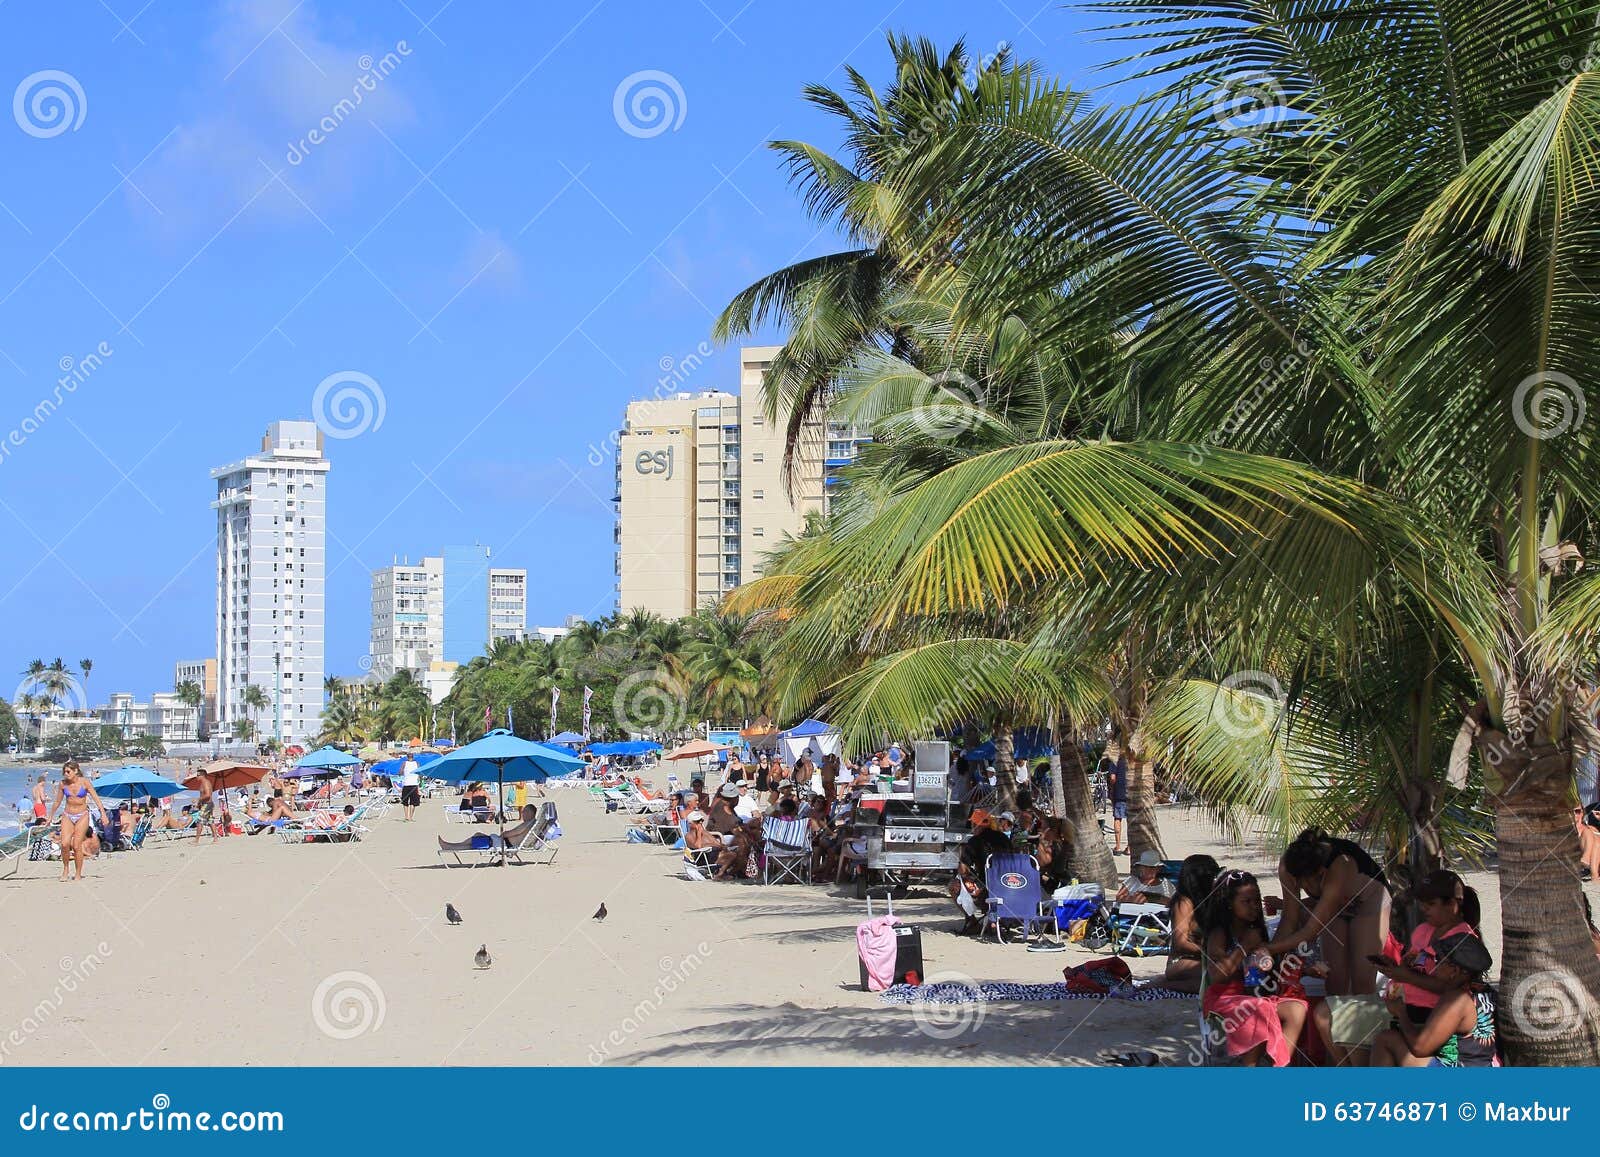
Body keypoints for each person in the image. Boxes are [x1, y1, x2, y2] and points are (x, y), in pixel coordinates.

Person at [1199, 869, 1308, 1066]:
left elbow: (1267, 967)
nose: (1254, 907)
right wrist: (1243, 948)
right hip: (1224, 997)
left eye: (1256, 901)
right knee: (1258, 1008)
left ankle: (1279, 1068)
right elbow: (1217, 976)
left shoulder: (1256, 931)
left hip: (1255, 994)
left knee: (1296, 1008)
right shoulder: (1220, 933)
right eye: (1246, 902)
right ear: (1229, 905)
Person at [1267, 827, 1391, 995]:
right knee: (1334, 979)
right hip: (1337, 906)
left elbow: (1311, 931)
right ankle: (1336, 1018)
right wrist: (1271, 954)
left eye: (1304, 883)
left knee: (1362, 979)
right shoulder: (1287, 866)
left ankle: (1364, 1019)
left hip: (1368, 900)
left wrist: (1269, 949)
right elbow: (1289, 919)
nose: (1300, 887)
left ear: (1321, 873)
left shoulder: (1339, 865)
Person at [1369, 933, 1498, 1067]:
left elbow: (1420, 1048)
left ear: (1456, 970)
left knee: (1385, 1039)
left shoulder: (1457, 999)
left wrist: (1401, 1013)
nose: (1434, 967)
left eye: (1438, 960)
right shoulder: (1483, 990)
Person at [949, 812, 1016, 934]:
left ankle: (972, 922)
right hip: (1010, 887)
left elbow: (963, 870)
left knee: (954, 886)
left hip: (987, 892)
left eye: (972, 824)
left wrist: (967, 872)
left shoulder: (975, 841)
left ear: (976, 825)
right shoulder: (1004, 839)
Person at [1164, 854, 1220, 994]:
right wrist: (1210, 952)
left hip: (1203, 959)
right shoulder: (1184, 902)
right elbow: (1180, 943)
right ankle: (1164, 985)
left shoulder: (1210, 900)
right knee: (1217, 977)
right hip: (1182, 961)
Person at [48, 761, 105, 882]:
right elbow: (57, 802)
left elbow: (96, 799)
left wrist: (103, 814)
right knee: (64, 843)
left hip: (82, 815)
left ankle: (78, 873)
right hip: (67, 815)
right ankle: (65, 869)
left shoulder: (84, 782)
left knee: (77, 844)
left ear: (76, 771)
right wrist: (50, 816)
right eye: (64, 772)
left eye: (68, 771)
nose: (65, 774)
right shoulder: (63, 784)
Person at [1106, 753, 1129, 855]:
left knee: (1117, 818)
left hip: (1119, 792)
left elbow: (1112, 777)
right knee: (1130, 820)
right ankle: (1129, 848)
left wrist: (1111, 789)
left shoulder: (1115, 758)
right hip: (1131, 792)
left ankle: (1118, 846)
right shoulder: (1132, 758)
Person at [191, 769, 217, 844]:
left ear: (202, 775)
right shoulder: (202, 783)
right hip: (207, 804)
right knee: (210, 821)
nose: (197, 777)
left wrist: (198, 799)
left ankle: (196, 840)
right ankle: (215, 838)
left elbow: (208, 795)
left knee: (199, 821)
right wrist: (199, 803)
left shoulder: (205, 783)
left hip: (207, 804)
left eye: (198, 775)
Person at [399, 754, 422, 821]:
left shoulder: (404, 763)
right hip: (414, 784)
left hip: (406, 784)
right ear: (413, 757)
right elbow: (420, 772)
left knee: (405, 801)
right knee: (413, 802)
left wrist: (401, 773)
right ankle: (411, 817)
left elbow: (400, 772)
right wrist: (420, 781)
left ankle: (406, 816)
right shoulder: (417, 763)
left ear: (407, 757)